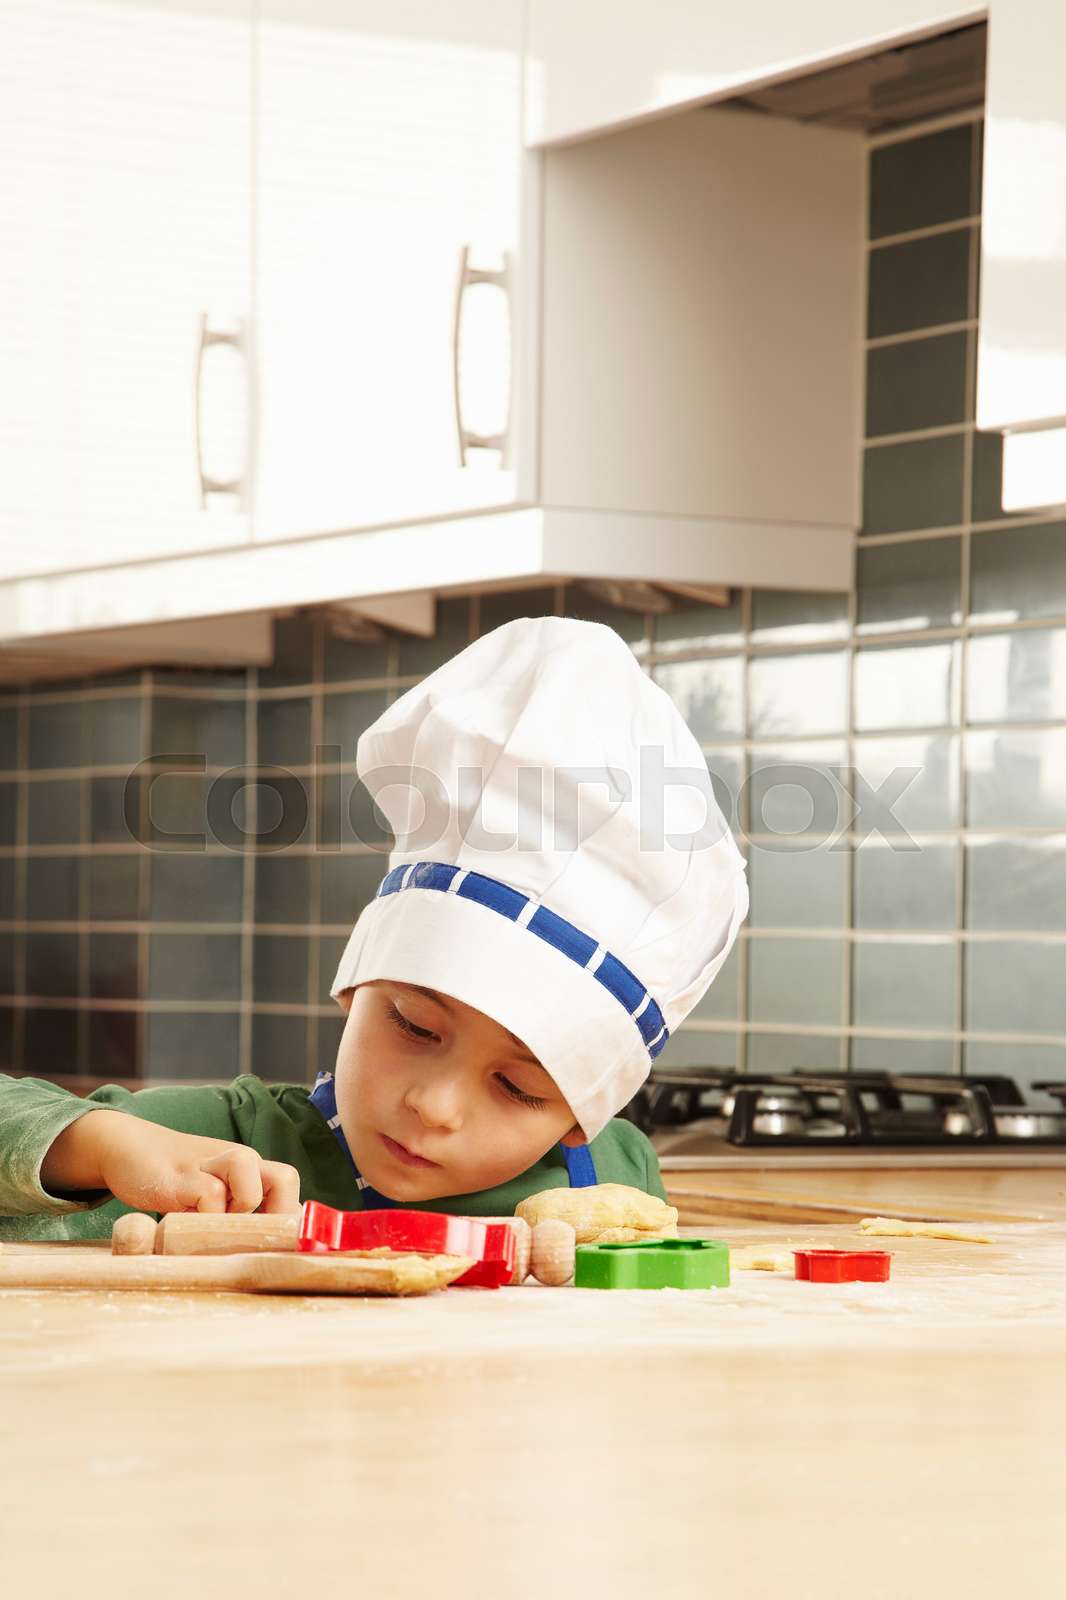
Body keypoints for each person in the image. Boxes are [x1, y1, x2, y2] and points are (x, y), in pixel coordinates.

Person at [0, 615, 748, 1241]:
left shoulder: (616, 1174)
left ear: (581, 1120)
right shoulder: (223, 1146)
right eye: (416, 1026)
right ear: (355, 987)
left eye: (518, 1089)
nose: (436, 1107)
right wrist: (96, 1145)